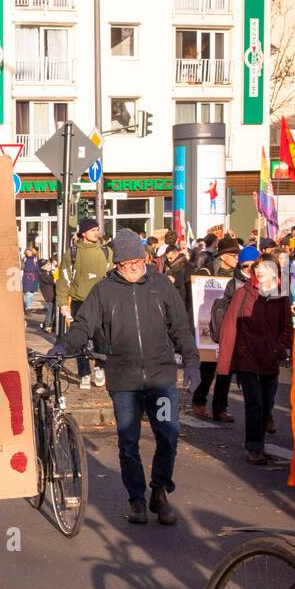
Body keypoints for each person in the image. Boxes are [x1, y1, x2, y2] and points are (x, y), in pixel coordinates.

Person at [47, 228, 200, 526]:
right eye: (126, 264)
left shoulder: (161, 286)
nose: (133, 269)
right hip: (124, 382)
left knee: (167, 434)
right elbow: (83, 325)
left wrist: (192, 363)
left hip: (160, 379)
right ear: (116, 264)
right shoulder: (103, 291)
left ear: (144, 259)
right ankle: (137, 500)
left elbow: (180, 328)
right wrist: (64, 345)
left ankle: (159, 491)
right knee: (128, 442)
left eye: (138, 263)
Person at [215, 255, 292, 465]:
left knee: (267, 404)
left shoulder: (281, 295)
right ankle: (254, 447)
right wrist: (226, 361)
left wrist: (280, 347)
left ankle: (260, 444)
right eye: (257, 268)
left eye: (264, 268)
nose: (259, 272)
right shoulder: (243, 293)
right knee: (254, 404)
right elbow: (230, 326)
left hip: (270, 358)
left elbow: (287, 326)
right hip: (246, 357)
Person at [189, 235, 241, 423]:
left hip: (229, 327)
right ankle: (199, 400)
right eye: (233, 255)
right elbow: (195, 299)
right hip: (208, 326)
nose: (236, 258)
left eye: (237, 255)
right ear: (223, 256)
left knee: (226, 369)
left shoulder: (238, 275)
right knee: (208, 368)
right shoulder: (206, 271)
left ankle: (221, 408)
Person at [55, 216, 111, 389]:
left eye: (97, 230)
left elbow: (113, 277)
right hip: (79, 301)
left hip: (101, 303)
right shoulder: (72, 253)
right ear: (84, 233)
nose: (97, 233)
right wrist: (63, 303)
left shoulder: (106, 252)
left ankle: (100, 367)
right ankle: (84, 373)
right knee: (79, 339)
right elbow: (64, 279)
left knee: (102, 338)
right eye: (93, 230)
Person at [39, 254, 57, 331]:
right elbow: (50, 281)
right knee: (50, 310)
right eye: (48, 265)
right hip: (48, 296)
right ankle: (47, 325)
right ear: (43, 267)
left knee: (52, 310)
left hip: (51, 295)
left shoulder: (48, 273)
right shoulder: (42, 274)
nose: (50, 266)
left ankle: (46, 324)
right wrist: (54, 280)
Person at [22, 242, 40, 312]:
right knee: (28, 292)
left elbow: (37, 268)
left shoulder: (35, 259)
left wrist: (39, 276)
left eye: (29, 252)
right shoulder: (24, 259)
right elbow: (21, 267)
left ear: (32, 252)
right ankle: (28, 306)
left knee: (31, 293)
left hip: (33, 277)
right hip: (26, 277)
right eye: (27, 252)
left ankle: (29, 304)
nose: (28, 253)